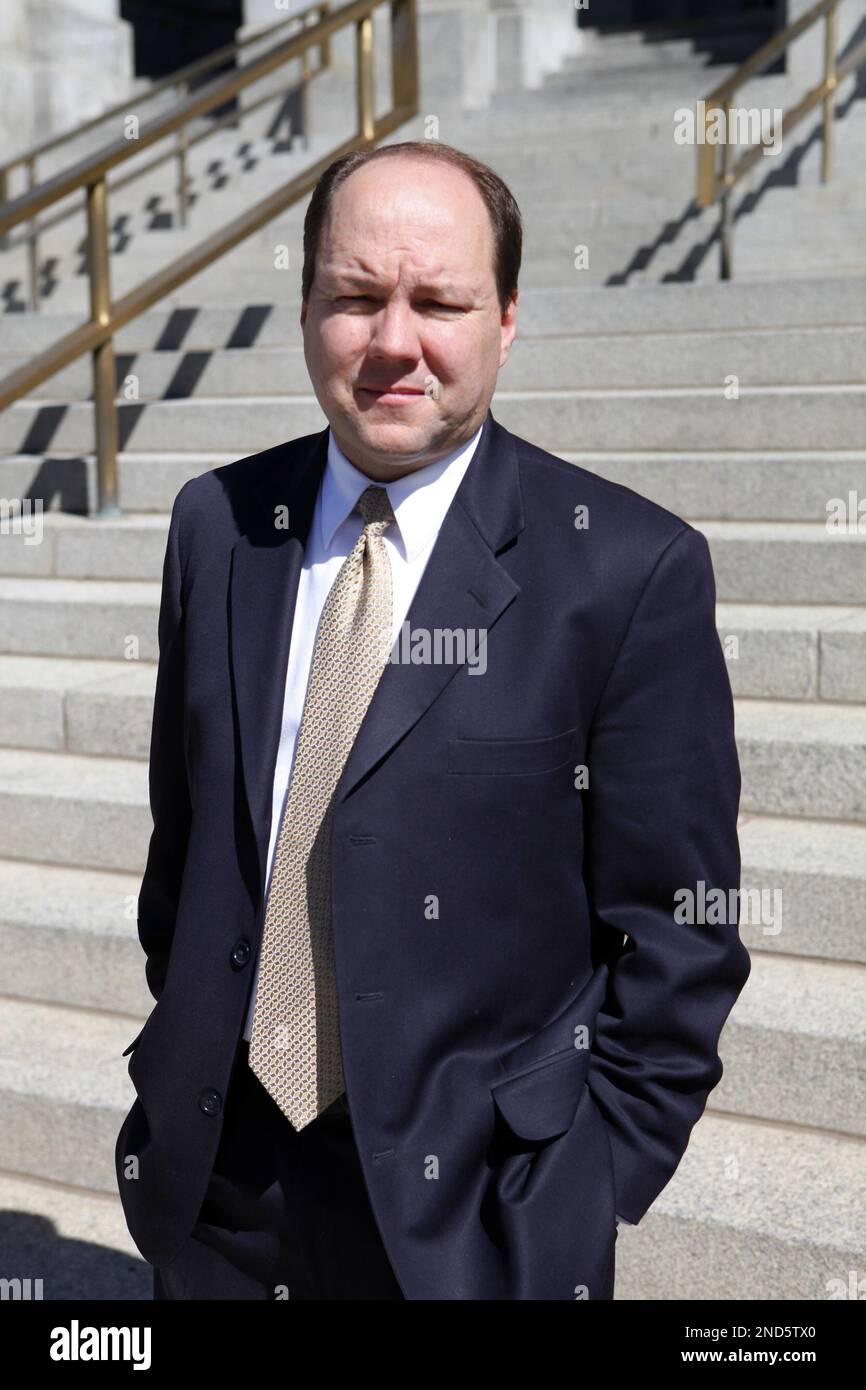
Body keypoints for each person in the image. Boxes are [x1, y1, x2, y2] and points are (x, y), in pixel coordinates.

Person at [114, 140, 750, 1300]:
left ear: (505, 318)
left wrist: (583, 1188)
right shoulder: (218, 525)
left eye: (437, 301)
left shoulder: (624, 570)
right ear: (306, 307)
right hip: (222, 1198)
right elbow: (187, 845)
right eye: (354, 296)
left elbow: (678, 932)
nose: (392, 341)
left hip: (475, 1226)